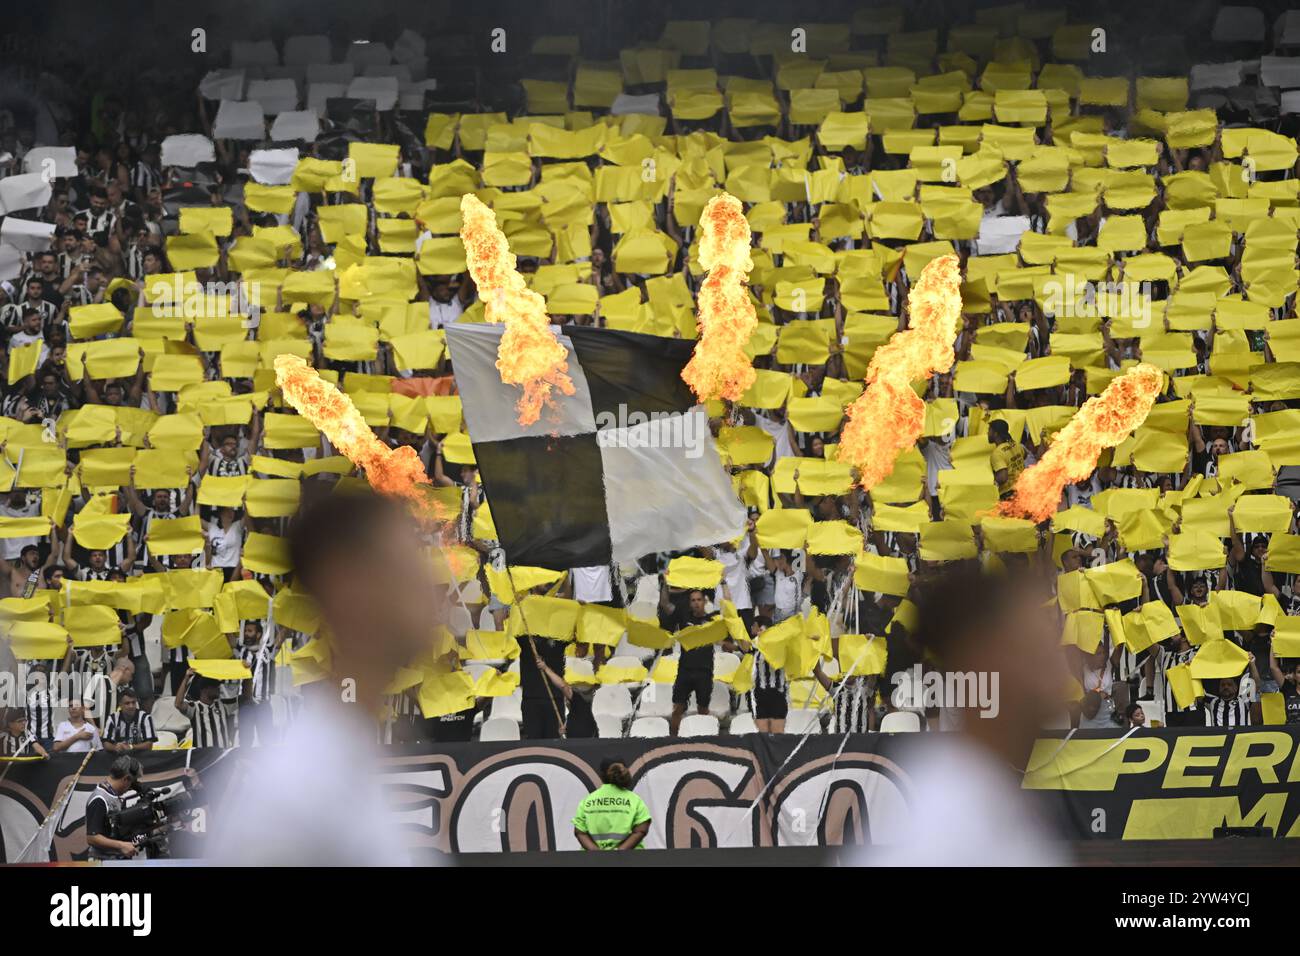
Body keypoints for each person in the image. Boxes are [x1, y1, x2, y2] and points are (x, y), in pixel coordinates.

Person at [208, 492, 442, 865]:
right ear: (351, 588)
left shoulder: (344, 761)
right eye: (407, 570)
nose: (429, 595)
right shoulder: (294, 790)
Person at [853, 564, 1070, 866]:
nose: (1058, 676)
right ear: (989, 659)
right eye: (1038, 654)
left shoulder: (1007, 807)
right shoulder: (937, 833)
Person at [660, 586, 718, 735]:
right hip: (685, 669)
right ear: (689, 603)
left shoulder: (713, 619)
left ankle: (703, 739)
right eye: (693, 600)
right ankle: (673, 740)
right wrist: (664, 585)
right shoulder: (683, 616)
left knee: (703, 710)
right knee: (677, 708)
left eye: (699, 600)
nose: (696, 603)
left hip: (704, 670)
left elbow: (729, 609)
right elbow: (665, 606)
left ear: (705, 601)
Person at [572, 757, 652, 851]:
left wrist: (596, 853)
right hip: (630, 860)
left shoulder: (586, 801)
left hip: (593, 862)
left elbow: (580, 832)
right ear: (624, 772)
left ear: (601, 775)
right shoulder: (635, 800)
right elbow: (641, 829)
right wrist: (619, 852)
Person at [84, 755, 142, 860]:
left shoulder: (113, 795)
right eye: (131, 783)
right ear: (126, 779)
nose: (130, 788)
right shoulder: (100, 799)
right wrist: (121, 845)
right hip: (103, 861)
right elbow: (92, 837)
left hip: (116, 860)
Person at [102, 689, 157, 753]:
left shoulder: (145, 718)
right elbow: (106, 743)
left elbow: (149, 745)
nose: (131, 706)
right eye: (127, 703)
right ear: (120, 704)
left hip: (141, 758)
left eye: (133, 702)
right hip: (118, 758)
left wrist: (131, 747)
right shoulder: (112, 718)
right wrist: (115, 748)